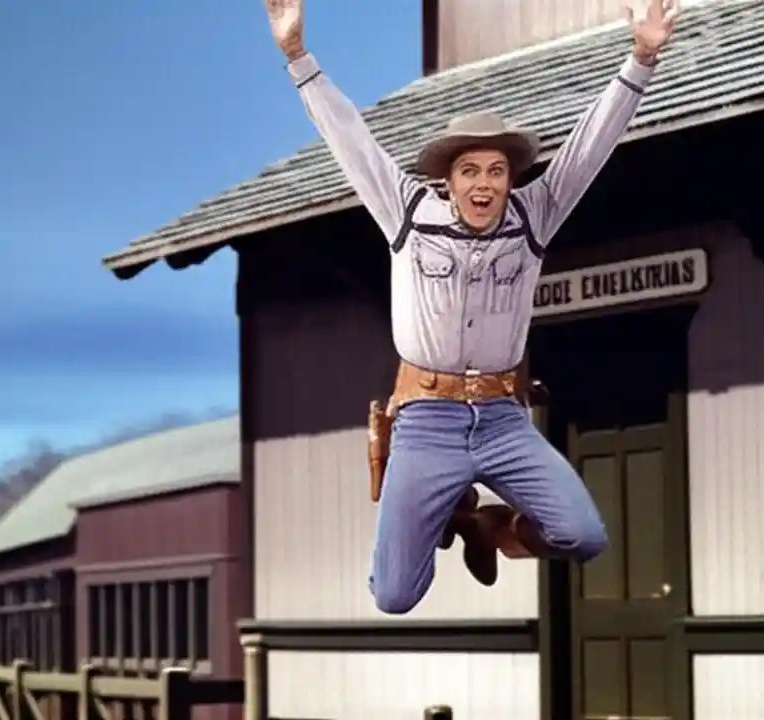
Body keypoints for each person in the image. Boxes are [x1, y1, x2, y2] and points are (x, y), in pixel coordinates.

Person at [263, 0, 680, 614]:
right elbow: (349, 139)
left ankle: (491, 528)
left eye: (496, 171)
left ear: (511, 179)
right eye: (470, 171)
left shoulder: (534, 216)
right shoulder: (408, 213)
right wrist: (297, 55)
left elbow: (591, 147)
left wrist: (641, 58)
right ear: (448, 179)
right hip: (426, 419)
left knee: (582, 534)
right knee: (396, 595)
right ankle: (457, 521)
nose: (484, 184)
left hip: (503, 419)